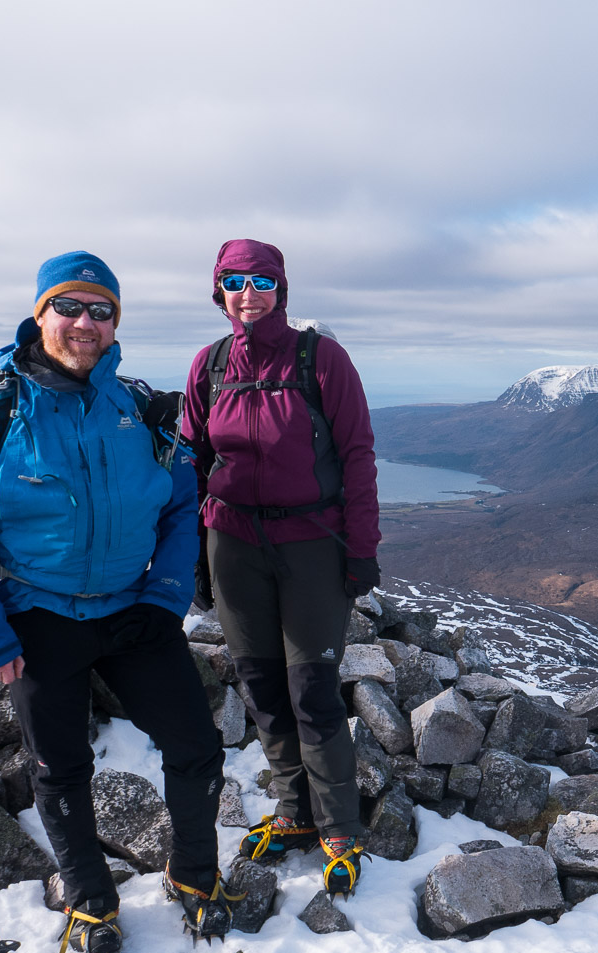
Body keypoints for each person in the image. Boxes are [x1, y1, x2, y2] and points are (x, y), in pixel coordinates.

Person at [0, 250, 237, 953]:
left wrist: (165, 596)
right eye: (68, 307)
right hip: (39, 612)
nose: (84, 323)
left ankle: (193, 872)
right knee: (59, 766)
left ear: (115, 324)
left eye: (101, 310)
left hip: (134, 611)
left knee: (196, 745)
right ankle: (90, 898)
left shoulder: (139, 407)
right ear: (41, 315)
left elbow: (182, 504)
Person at [182, 238, 381, 897]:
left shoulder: (320, 358)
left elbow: (356, 454)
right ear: (219, 290)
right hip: (232, 546)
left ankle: (340, 827)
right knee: (263, 687)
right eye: (235, 281)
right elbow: (192, 463)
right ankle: (295, 810)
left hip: (311, 545)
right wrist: (195, 554)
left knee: (312, 689)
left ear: (282, 290)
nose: (249, 293)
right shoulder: (209, 365)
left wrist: (361, 548)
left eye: (262, 281)